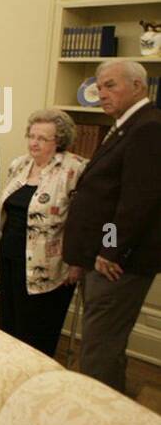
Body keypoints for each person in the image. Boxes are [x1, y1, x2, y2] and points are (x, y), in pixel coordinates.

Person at [63, 59, 161, 393]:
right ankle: (114, 406)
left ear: (138, 86)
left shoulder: (148, 128)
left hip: (116, 263)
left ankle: (95, 416)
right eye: (99, 86)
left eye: (110, 85)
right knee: (104, 345)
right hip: (100, 257)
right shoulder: (125, 125)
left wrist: (110, 248)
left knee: (99, 351)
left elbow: (137, 201)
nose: (101, 93)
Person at [0, 109, 87, 357]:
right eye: (32, 136)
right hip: (10, 256)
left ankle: (36, 377)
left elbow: (84, 220)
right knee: (10, 325)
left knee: (36, 332)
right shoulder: (19, 165)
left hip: (48, 264)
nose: (34, 143)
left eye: (43, 138)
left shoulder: (75, 168)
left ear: (60, 141)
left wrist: (76, 262)